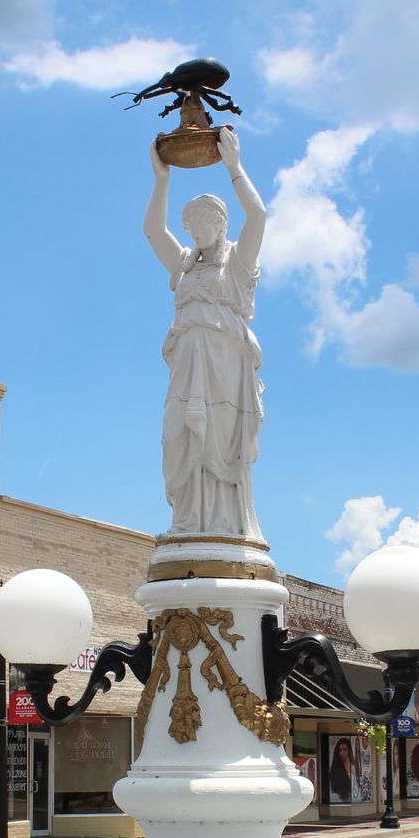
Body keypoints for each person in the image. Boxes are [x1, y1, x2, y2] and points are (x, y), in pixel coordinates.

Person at [145, 127, 268, 541]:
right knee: (179, 436)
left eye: (203, 223)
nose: (196, 230)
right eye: (191, 224)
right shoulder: (184, 264)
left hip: (224, 366)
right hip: (187, 363)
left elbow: (258, 216)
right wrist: (162, 180)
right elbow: (153, 231)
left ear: (220, 225)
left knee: (217, 438)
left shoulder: (237, 264)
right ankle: (188, 524)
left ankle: (223, 527)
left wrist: (235, 167)